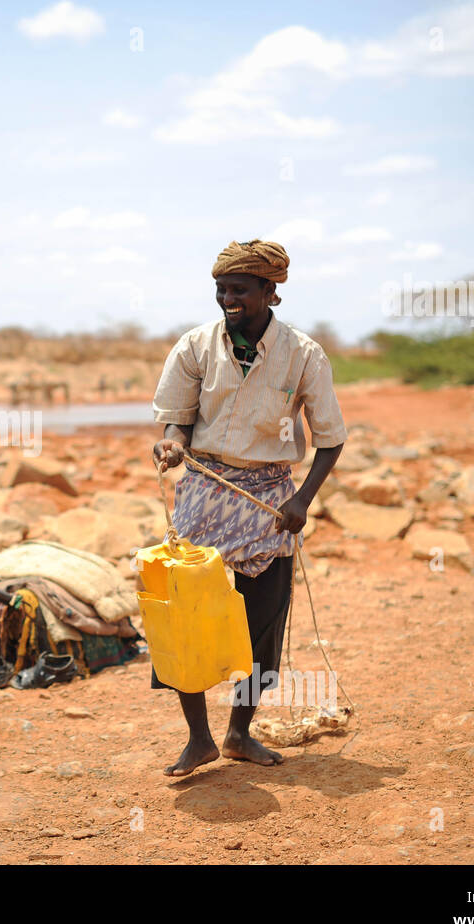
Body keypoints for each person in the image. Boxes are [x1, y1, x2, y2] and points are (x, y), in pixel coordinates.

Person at [150, 238, 346, 776]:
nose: (227, 298)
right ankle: (199, 739)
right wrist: (173, 442)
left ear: (270, 291)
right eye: (220, 289)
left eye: (239, 289)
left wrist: (302, 501)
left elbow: (330, 438)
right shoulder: (194, 346)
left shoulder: (304, 355)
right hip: (205, 488)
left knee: (261, 624)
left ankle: (239, 734)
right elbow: (178, 417)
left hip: (269, 501)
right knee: (181, 617)